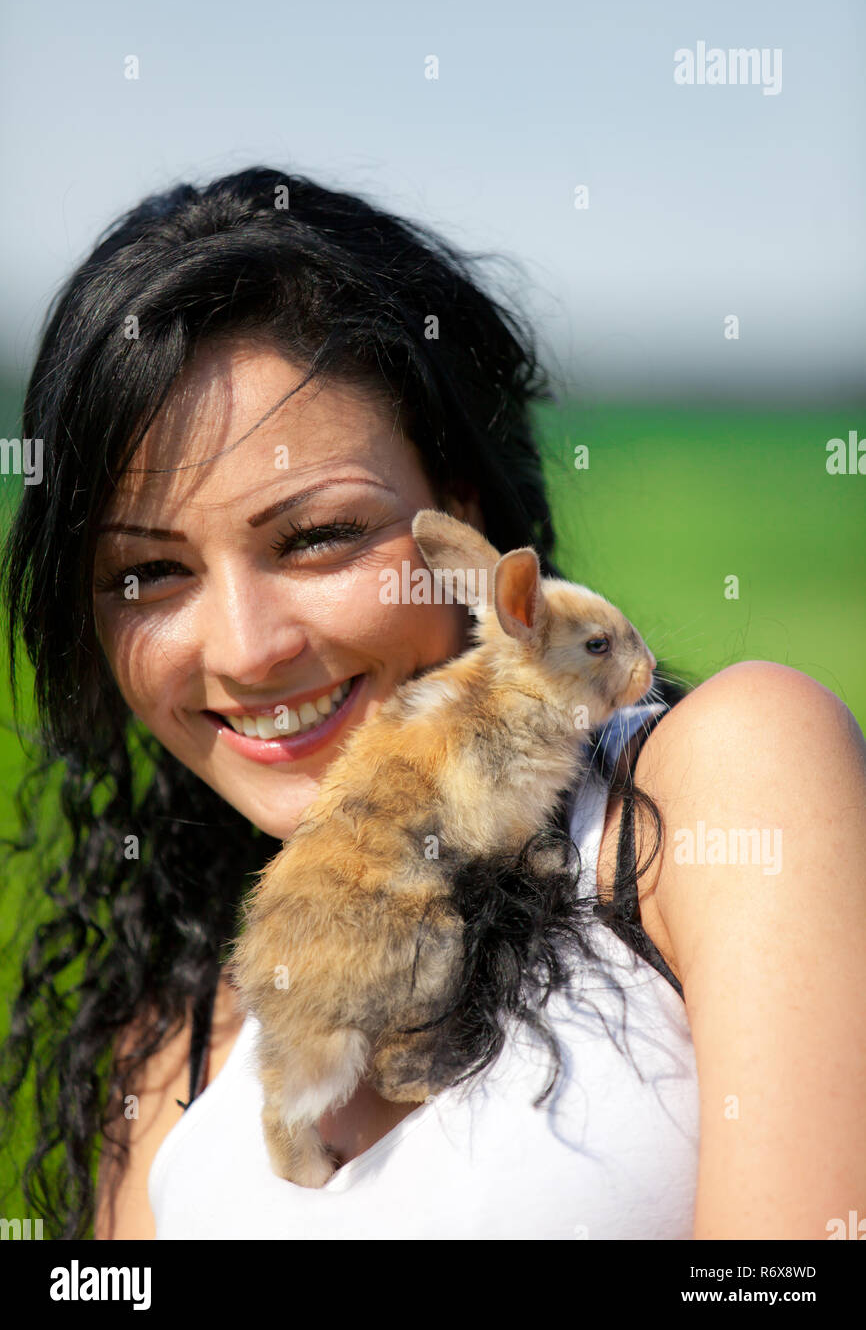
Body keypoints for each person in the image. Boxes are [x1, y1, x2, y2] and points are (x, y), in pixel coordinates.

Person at [1, 169, 863, 1241]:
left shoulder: (701, 795)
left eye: (316, 536)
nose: (246, 649)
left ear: (458, 516)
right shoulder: (176, 1053)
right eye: (148, 575)